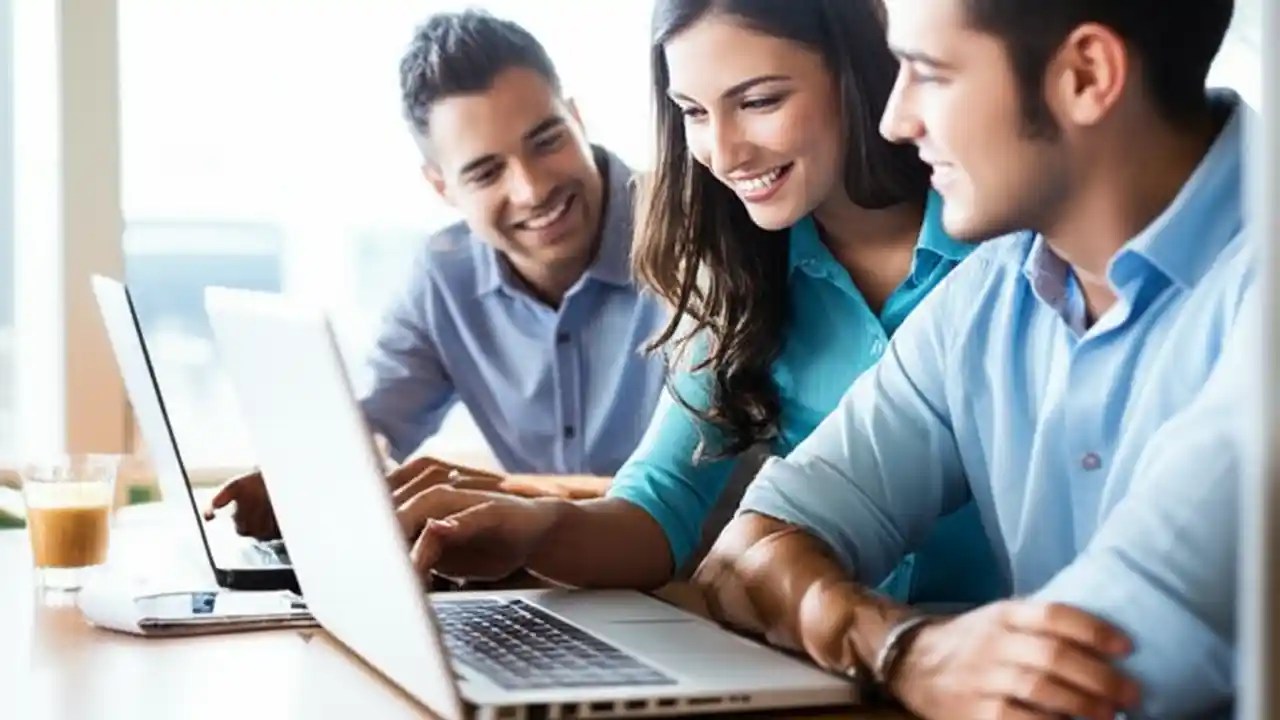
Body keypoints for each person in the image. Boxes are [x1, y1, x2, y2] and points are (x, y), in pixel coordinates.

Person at [692, 0, 1249, 717]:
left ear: (1086, 75)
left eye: (928, 73)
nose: (896, 120)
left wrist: (878, 639)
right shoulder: (988, 295)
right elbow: (745, 557)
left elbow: (1087, 678)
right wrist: (901, 648)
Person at [393, 0, 1004, 605]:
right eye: (693, 112)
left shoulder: (1003, 244)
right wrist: (532, 529)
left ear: (854, 73)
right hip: (843, 666)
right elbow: (657, 508)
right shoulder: (740, 274)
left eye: (760, 101)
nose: (725, 152)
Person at [204, 10, 668, 539]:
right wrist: (308, 478)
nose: (532, 189)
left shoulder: (693, 235)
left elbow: (687, 491)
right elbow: (376, 425)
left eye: (546, 141)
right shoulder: (444, 279)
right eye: (486, 171)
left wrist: (501, 494)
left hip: (696, 581)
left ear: (578, 121)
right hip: (558, 589)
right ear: (442, 188)